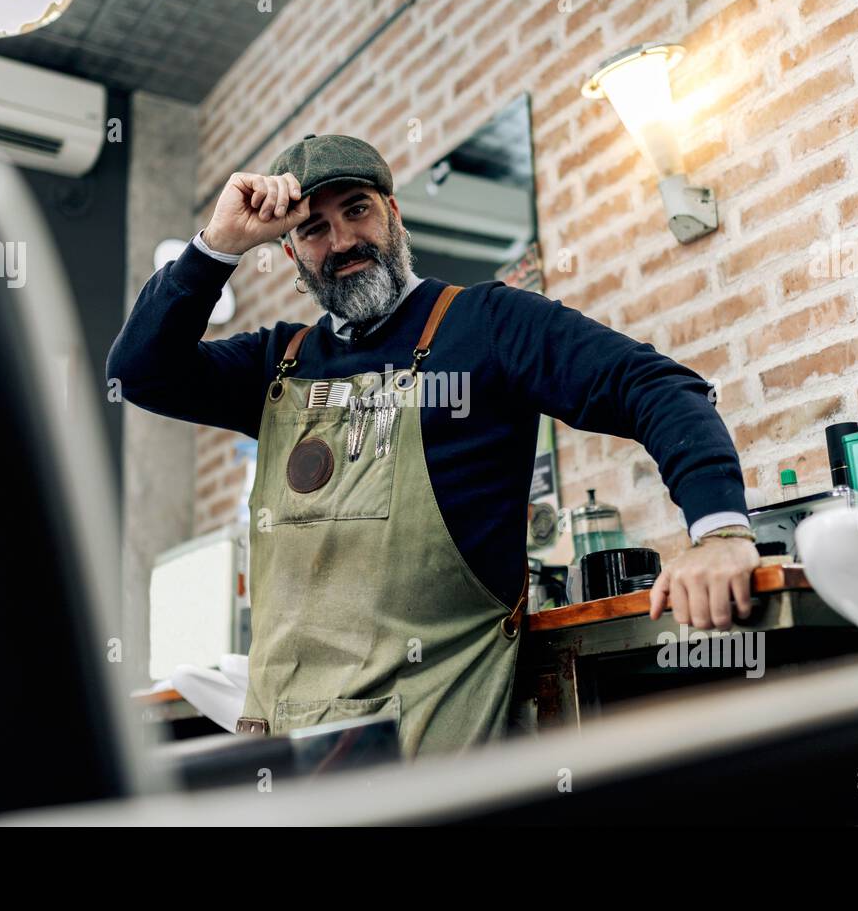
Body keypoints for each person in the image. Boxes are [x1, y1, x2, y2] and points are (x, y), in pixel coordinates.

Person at [107, 133, 760, 759]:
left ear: (392, 214)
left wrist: (720, 530)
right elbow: (138, 370)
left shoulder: (488, 325)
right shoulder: (278, 363)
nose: (341, 240)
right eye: (313, 228)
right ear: (291, 255)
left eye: (357, 209)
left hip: (435, 745)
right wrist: (216, 246)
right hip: (289, 756)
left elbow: (652, 385)